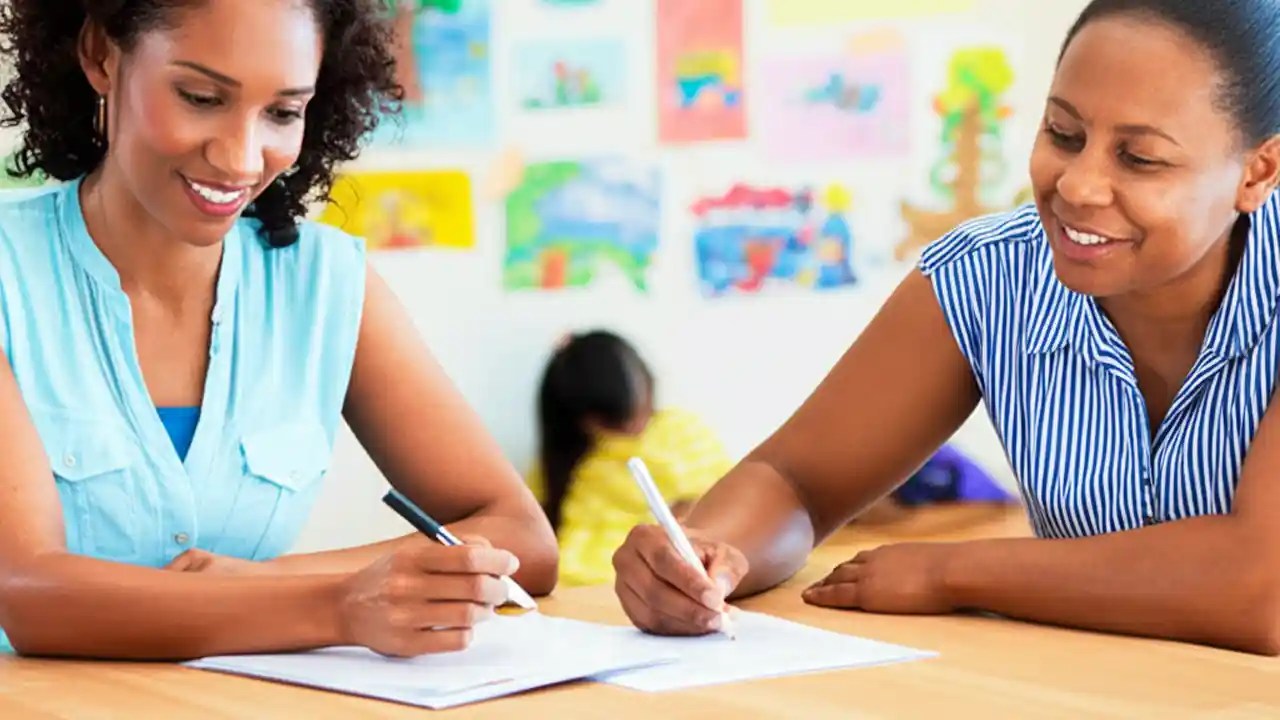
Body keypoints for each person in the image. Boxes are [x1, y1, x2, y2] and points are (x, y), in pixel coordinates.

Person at [612, 0, 1280, 656]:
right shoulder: (989, 275)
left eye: (1139, 159)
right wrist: (710, 557)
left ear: (1259, 171)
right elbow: (796, 481)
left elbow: (1262, 589)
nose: (1077, 186)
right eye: (1064, 134)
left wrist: (950, 571)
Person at [0, 0, 557, 660]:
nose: (240, 159)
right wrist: (339, 603)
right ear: (101, 56)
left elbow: (522, 537)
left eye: (283, 112)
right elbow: (28, 590)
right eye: (200, 97)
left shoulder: (323, 284)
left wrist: (267, 582)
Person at [527, 331, 734, 586]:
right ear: (578, 418)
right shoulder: (566, 458)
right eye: (610, 421)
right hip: (566, 583)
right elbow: (537, 521)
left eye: (633, 412)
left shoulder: (681, 433)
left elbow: (717, 509)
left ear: (646, 384)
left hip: (650, 577)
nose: (631, 427)